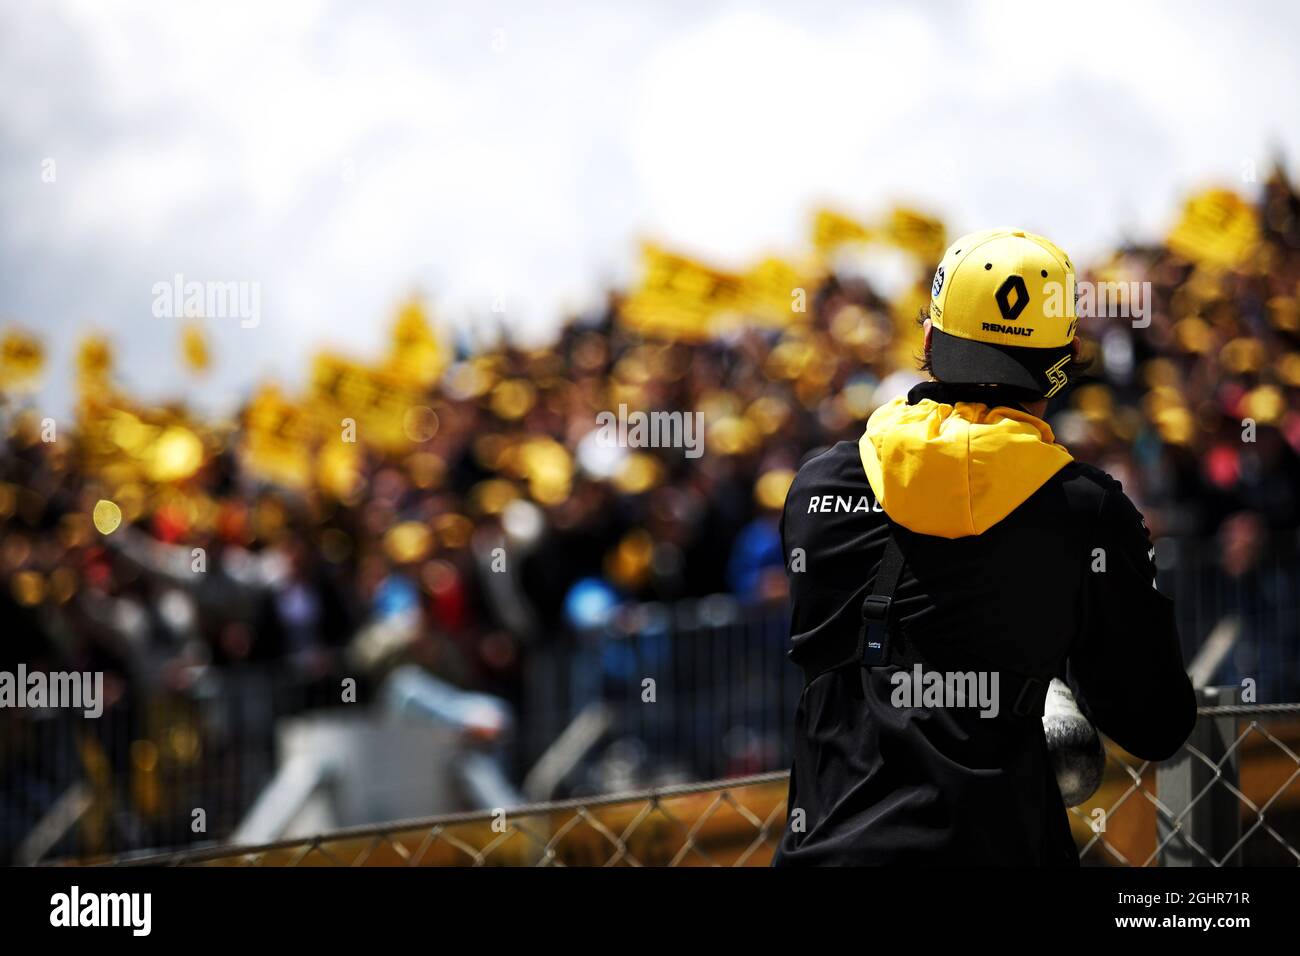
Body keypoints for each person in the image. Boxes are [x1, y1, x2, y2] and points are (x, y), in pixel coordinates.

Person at [773, 228, 1197, 865]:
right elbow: (1155, 722)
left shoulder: (816, 489)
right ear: (1066, 358)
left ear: (928, 341)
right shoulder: (1089, 511)